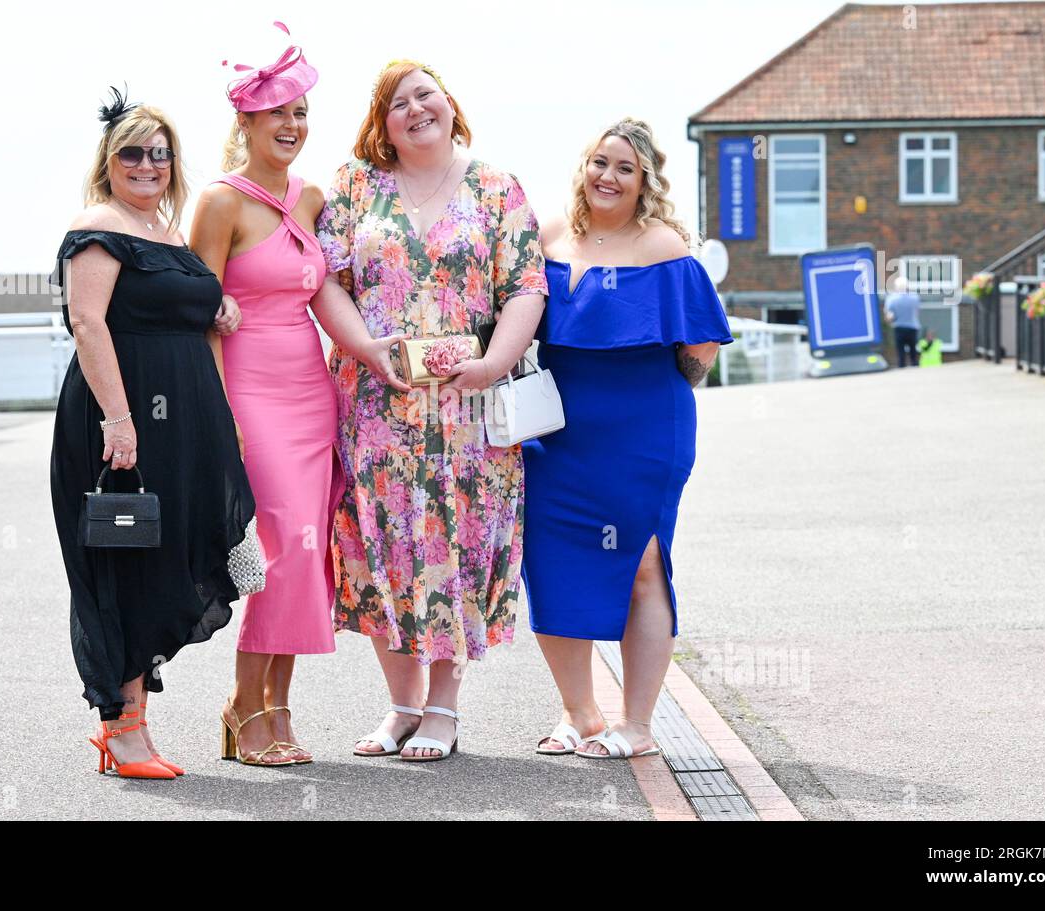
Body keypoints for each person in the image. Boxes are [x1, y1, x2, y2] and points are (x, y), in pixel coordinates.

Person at [313, 60, 547, 761]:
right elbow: (323, 278)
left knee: (455, 547)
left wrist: (493, 364)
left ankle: (443, 706)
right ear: (382, 123)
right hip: (377, 406)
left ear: (450, 102)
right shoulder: (356, 185)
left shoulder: (498, 188)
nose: (415, 110)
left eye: (426, 95)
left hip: (468, 409)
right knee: (381, 546)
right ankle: (402, 704)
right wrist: (363, 346)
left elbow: (526, 288)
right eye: (398, 103)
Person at [50, 89, 253, 779]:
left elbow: (181, 301)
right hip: (121, 423)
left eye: (159, 154)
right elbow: (88, 323)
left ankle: (132, 719)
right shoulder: (98, 224)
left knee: (166, 557)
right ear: (109, 160)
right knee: (124, 562)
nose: (146, 164)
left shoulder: (168, 230)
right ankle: (123, 729)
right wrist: (120, 419)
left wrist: (216, 306)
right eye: (132, 152)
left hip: (182, 421)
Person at [521, 118, 733, 759]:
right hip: (555, 435)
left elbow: (698, 347)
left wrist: (655, 402)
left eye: (624, 169)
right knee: (552, 565)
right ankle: (580, 714)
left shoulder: (666, 248)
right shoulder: (547, 237)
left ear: (645, 183)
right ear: (583, 168)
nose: (608, 177)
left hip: (643, 434)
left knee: (642, 566)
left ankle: (638, 725)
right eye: (600, 163)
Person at [190, 25, 342, 767]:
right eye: (278, 111)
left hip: (313, 395)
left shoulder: (311, 196)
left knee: (308, 556)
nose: (292, 125)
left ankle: (277, 709)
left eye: (302, 111)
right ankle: (244, 708)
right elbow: (199, 314)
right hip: (248, 394)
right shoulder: (220, 203)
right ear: (245, 121)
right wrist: (219, 415)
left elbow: (328, 295)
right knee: (276, 554)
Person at [884, 275, 922, 367]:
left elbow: (889, 316)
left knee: (901, 353)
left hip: (899, 328)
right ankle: (915, 369)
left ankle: (902, 371)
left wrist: (889, 322)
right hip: (912, 327)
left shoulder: (891, 299)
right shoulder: (915, 298)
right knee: (913, 351)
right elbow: (917, 312)